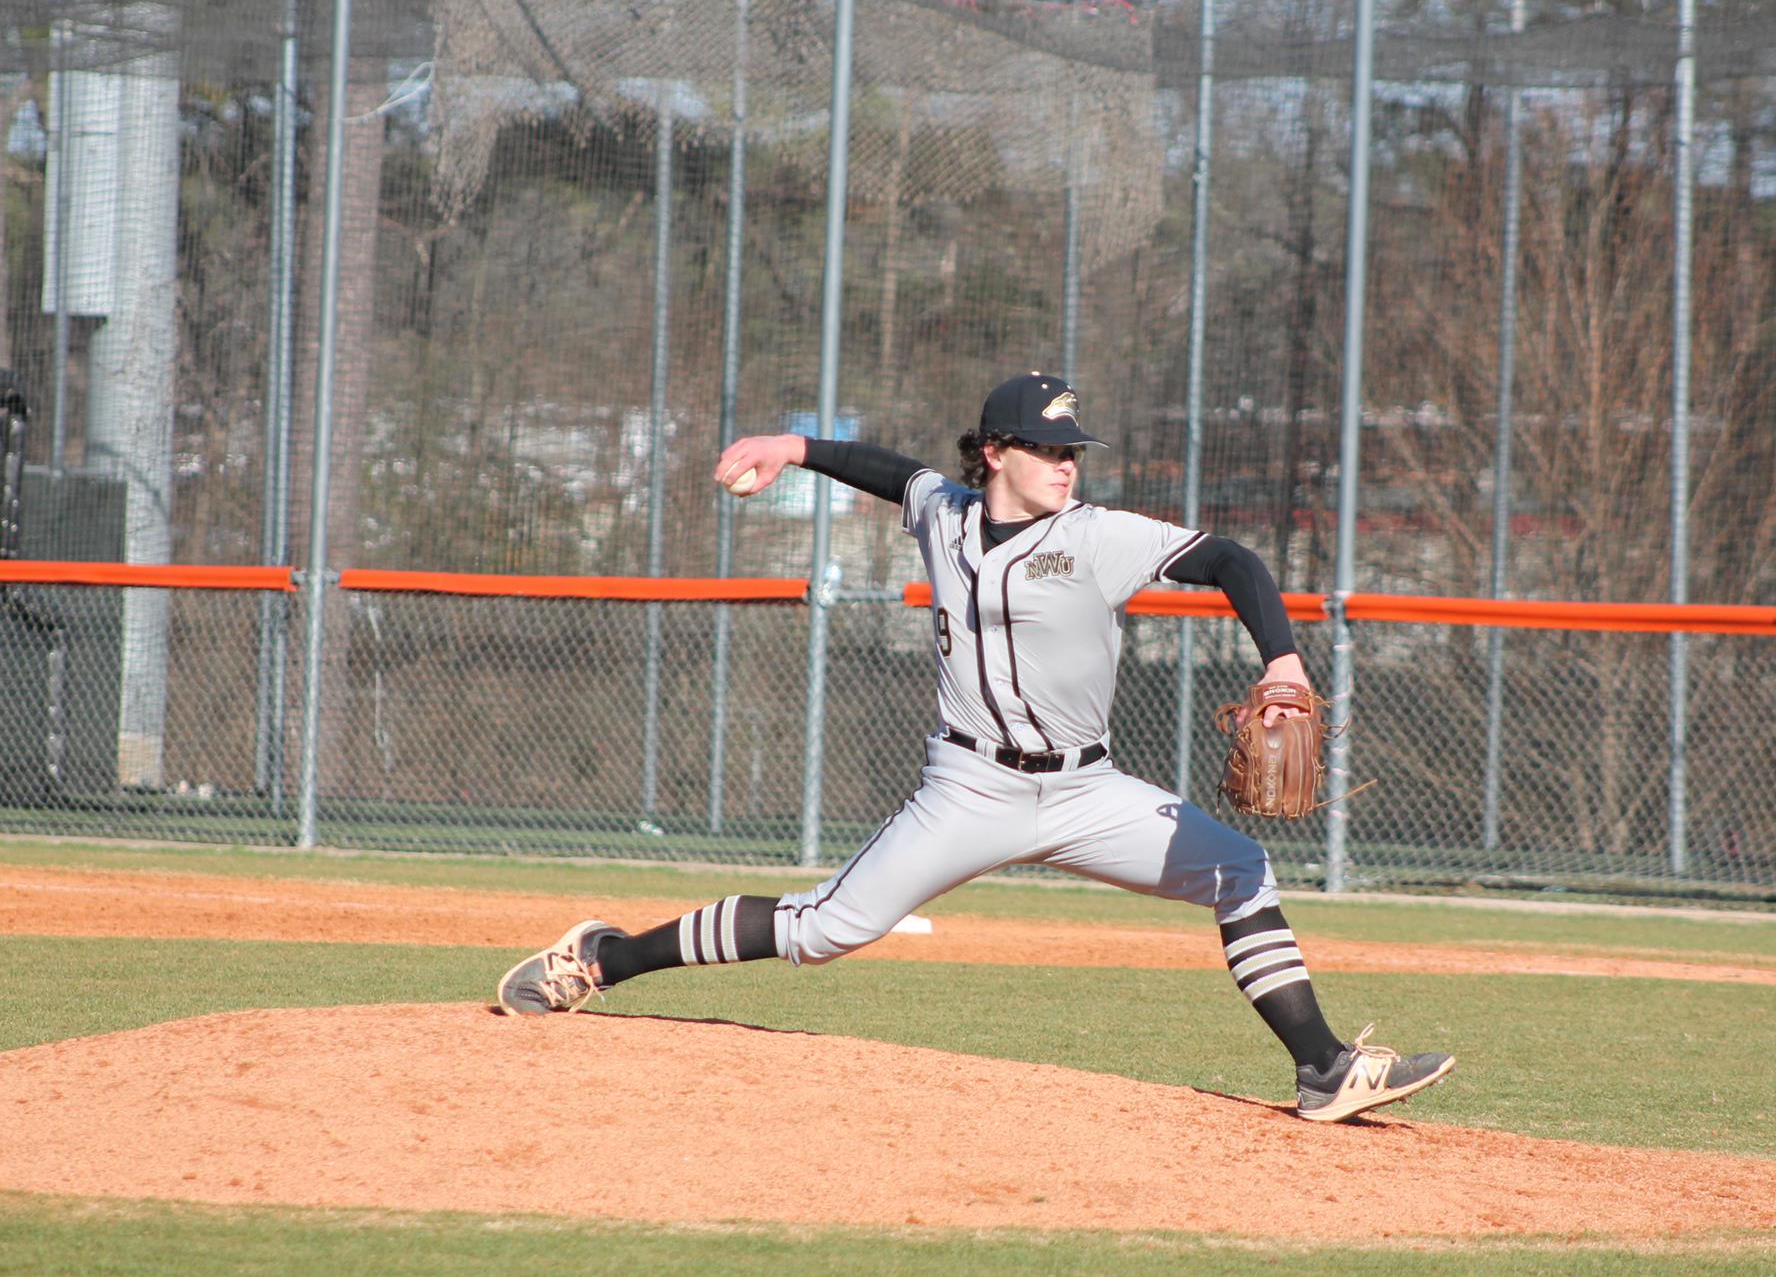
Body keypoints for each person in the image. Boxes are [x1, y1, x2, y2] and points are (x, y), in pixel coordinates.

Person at [498, 373, 1454, 1123]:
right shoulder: (944, 514)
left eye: (1072, 449)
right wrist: (788, 446)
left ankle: (1324, 1067)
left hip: (1088, 790)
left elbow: (1232, 560)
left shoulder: (1101, 535)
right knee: (823, 931)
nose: (1065, 463)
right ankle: (606, 957)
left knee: (1242, 869)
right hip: (967, 789)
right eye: (1046, 447)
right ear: (996, 452)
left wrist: (1282, 660)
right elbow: (885, 468)